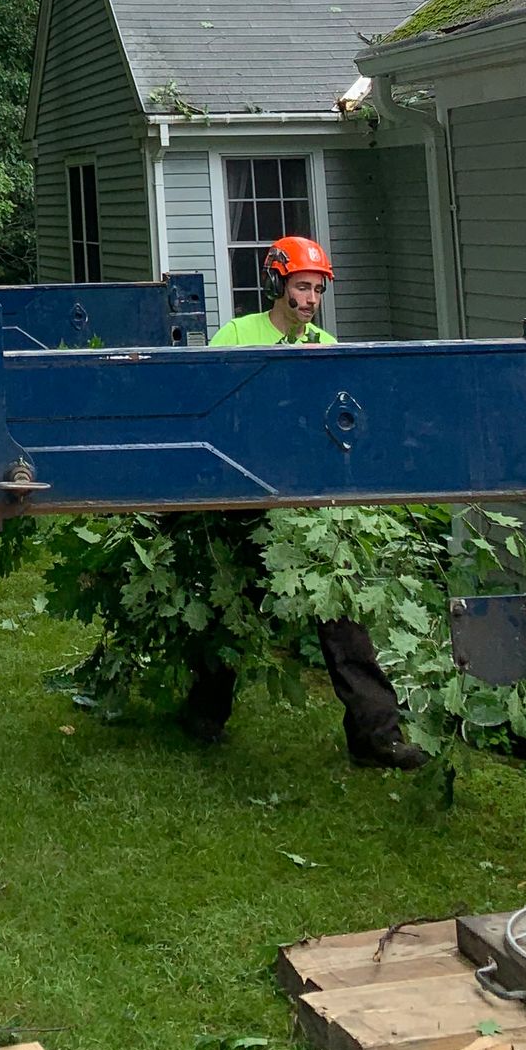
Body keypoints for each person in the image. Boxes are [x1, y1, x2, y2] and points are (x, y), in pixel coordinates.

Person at [199, 235, 427, 769]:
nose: (310, 299)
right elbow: (209, 403)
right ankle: (203, 717)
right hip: (247, 494)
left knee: (341, 614)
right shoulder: (238, 335)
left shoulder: (326, 345)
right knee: (229, 608)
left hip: (310, 504)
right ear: (277, 284)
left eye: (318, 290)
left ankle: (376, 737)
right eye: (302, 287)